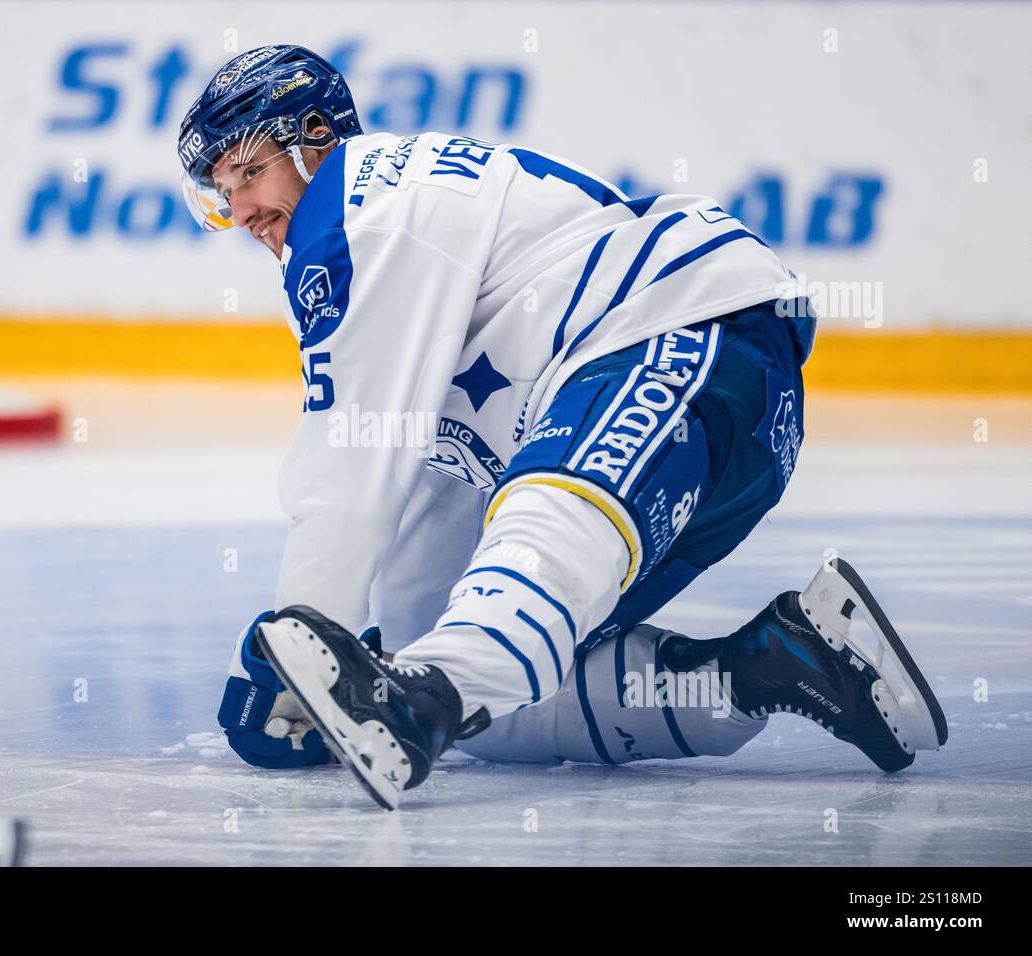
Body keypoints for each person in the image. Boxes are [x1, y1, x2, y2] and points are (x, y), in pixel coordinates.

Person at [181, 45, 947, 809]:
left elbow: (350, 473)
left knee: (538, 538)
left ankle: (417, 706)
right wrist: (350, 664)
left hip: (675, 333)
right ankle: (773, 665)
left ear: (316, 134)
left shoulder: (352, 211)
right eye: (222, 194)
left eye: (250, 173)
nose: (241, 211)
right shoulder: (366, 230)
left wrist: (299, 649)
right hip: (713, 416)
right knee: (451, 653)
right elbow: (416, 477)